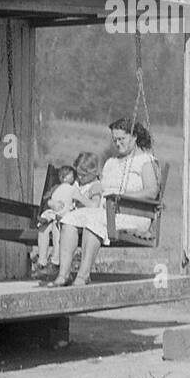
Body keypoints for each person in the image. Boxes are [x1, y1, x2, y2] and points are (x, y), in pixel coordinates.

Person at [46, 119, 160, 287]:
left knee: (93, 221)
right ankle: (63, 275)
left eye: (122, 139)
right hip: (107, 211)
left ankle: (82, 276)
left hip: (134, 213)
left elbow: (152, 191)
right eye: (115, 140)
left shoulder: (145, 161)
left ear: (134, 137)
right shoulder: (110, 162)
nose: (117, 143)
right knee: (70, 219)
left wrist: (123, 195)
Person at [32, 165, 78, 277]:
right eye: (62, 175)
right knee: (43, 229)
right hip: (52, 215)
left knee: (57, 229)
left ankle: (55, 261)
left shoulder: (75, 188)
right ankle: (42, 260)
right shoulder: (56, 187)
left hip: (65, 218)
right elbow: (46, 198)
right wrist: (51, 203)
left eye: (67, 175)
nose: (64, 177)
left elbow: (76, 202)